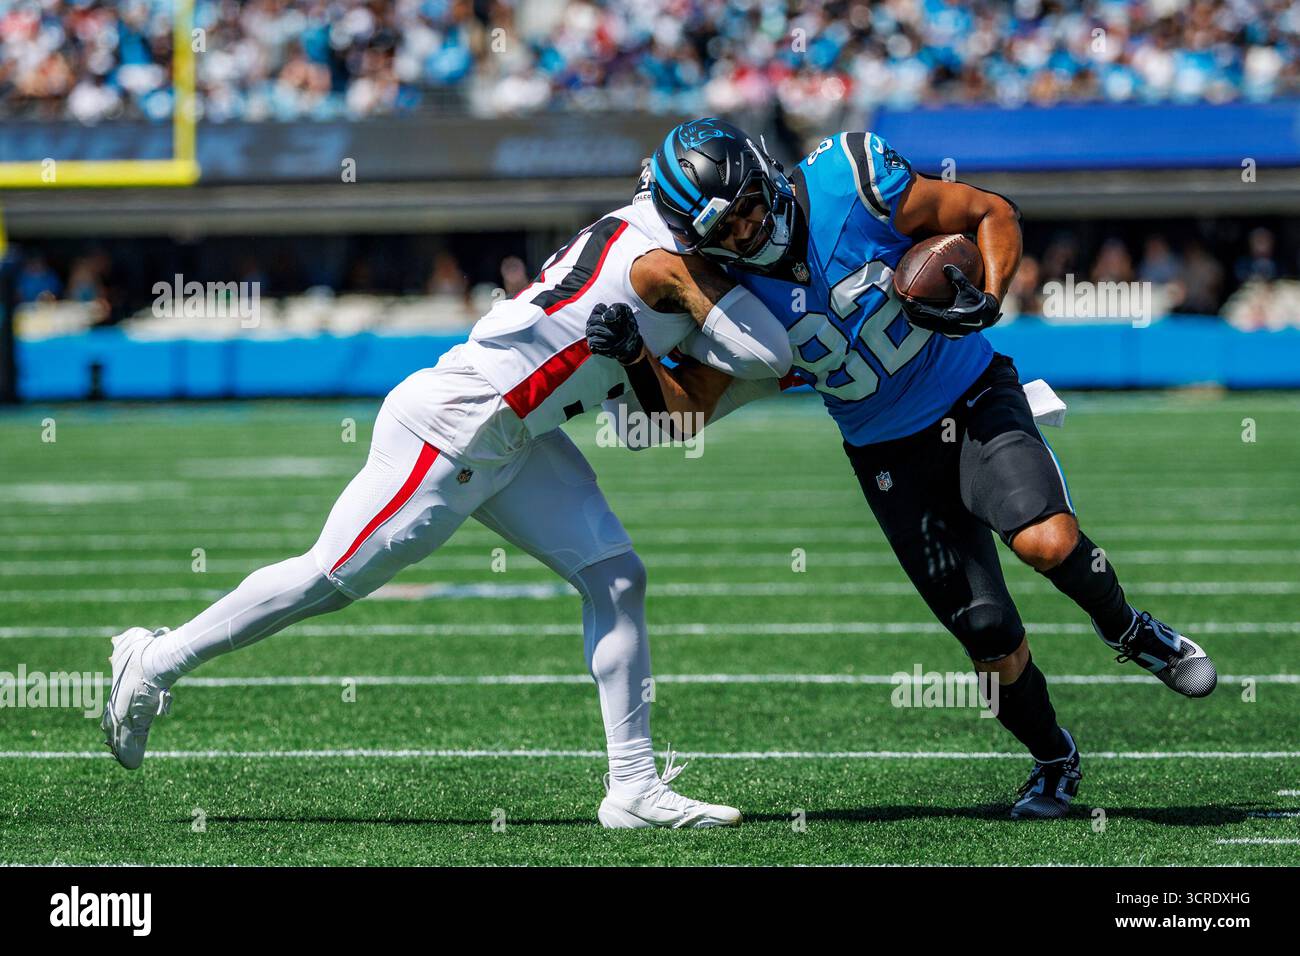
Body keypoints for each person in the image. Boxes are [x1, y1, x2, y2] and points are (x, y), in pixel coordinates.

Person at [101, 192, 793, 830]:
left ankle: (634, 788)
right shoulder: (663, 262)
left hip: (515, 431)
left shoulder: (648, 229)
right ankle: (155, 660)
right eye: (732, 219)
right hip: (458, 425)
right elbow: (768, 350)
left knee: (616, 577)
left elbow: (649, 415)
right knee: (327, 579)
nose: (746, 230)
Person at [634, 117, 1218, 819]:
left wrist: (990, 299)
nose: (748, 231)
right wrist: (634, 358)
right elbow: (685, 410)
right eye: (725, 229)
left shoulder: (846, 184)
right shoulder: (724, 295)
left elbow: (990, 213)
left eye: (750, 207)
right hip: (886, 454)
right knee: (987, 638)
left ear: (764, 171)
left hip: (971, 395)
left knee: (1048, 543)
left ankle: (1130, 630)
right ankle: (1054, 759)